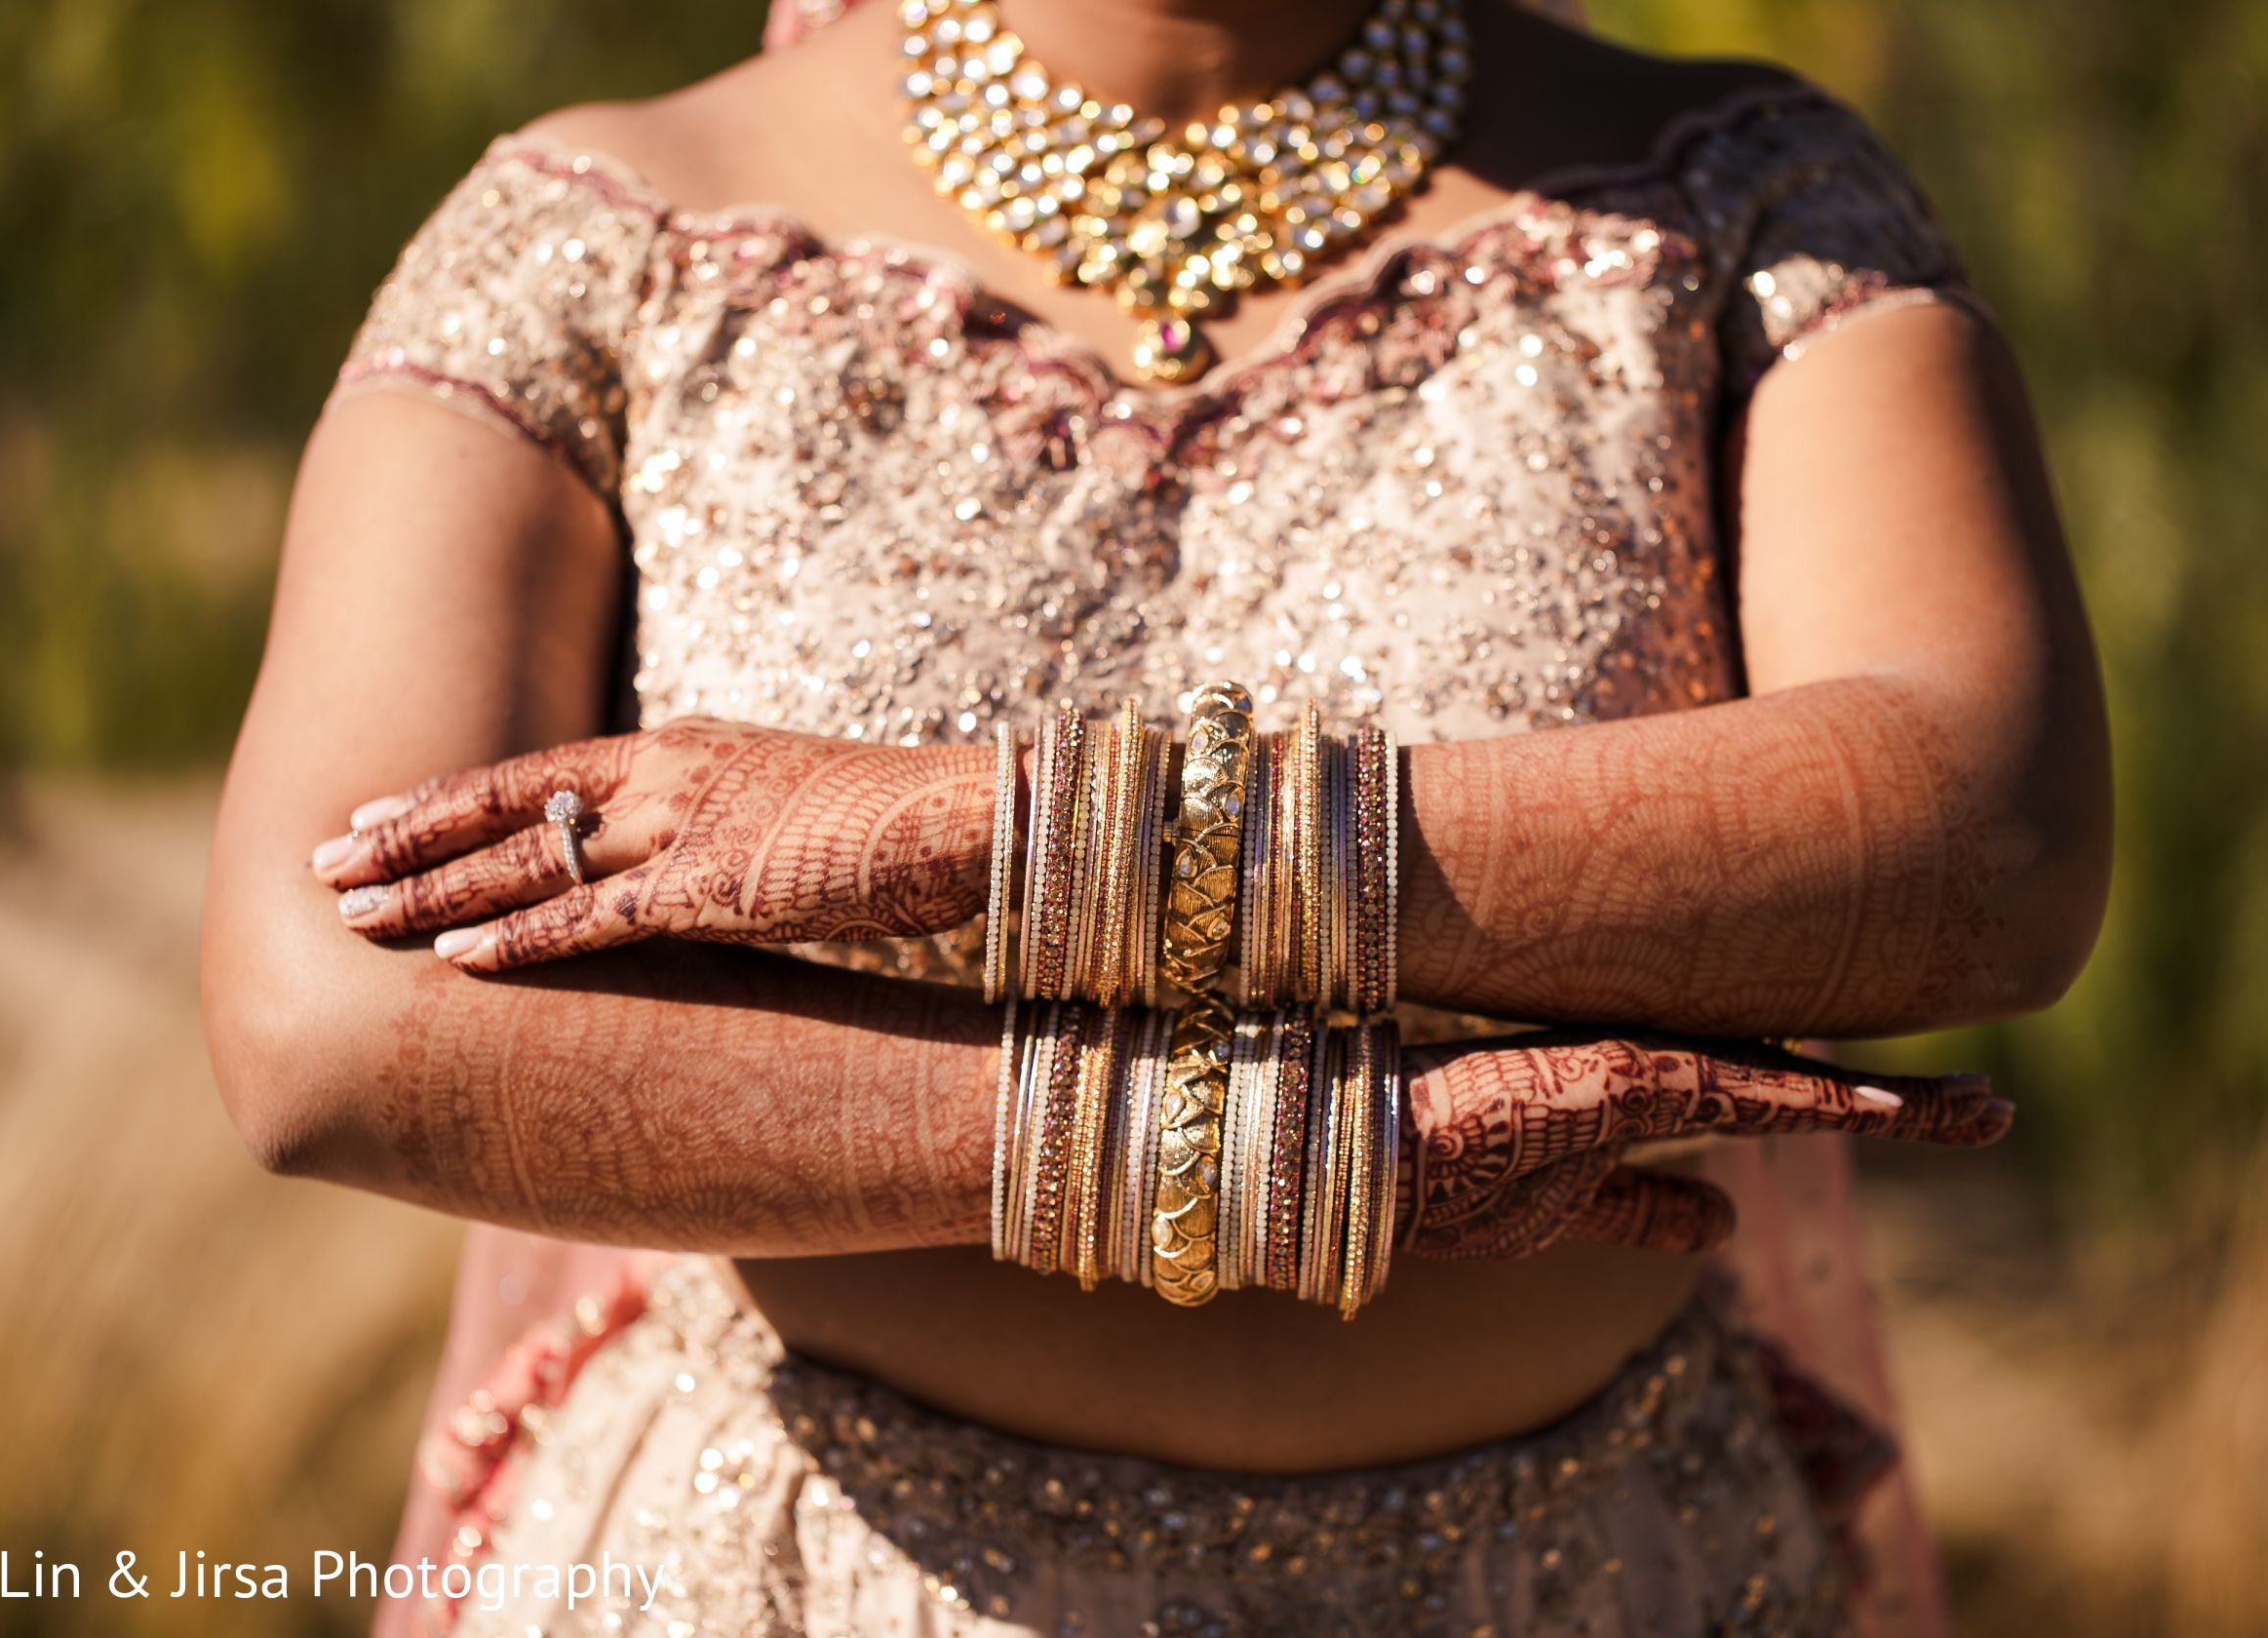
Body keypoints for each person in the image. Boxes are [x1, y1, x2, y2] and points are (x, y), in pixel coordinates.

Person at [199, 0, 2110, 1631]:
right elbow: (324, 1020)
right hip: (780, 1573)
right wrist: (1295, 1153)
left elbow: (1992, 837)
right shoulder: (602, 231)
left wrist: (983, 841)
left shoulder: (1738, 204)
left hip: (1585, 1575)